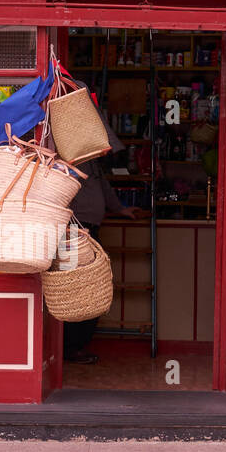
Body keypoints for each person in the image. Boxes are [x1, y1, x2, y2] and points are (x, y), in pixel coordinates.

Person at [64, 147, 144, 365]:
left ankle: (76, 345)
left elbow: (104, 188)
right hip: (73, 233)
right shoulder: (68, 156)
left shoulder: (91, 162)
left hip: (89, 231)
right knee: (77, 289)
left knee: (92, 287)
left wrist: (120, 209)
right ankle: (71, 347)